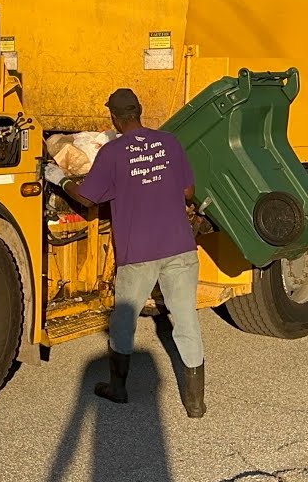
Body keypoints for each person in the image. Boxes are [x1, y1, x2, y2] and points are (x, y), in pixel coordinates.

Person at [44, 88, 206, 419]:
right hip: (180, 246)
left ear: (114, 119)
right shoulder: (170, 142)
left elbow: (88, 198)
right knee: (186, 318)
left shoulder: (113, 152)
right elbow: (188, 191)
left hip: (139, 252)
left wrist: (59, 179)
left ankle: (118, 389)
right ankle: (195, 403)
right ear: (140, 111)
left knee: (124, 320)